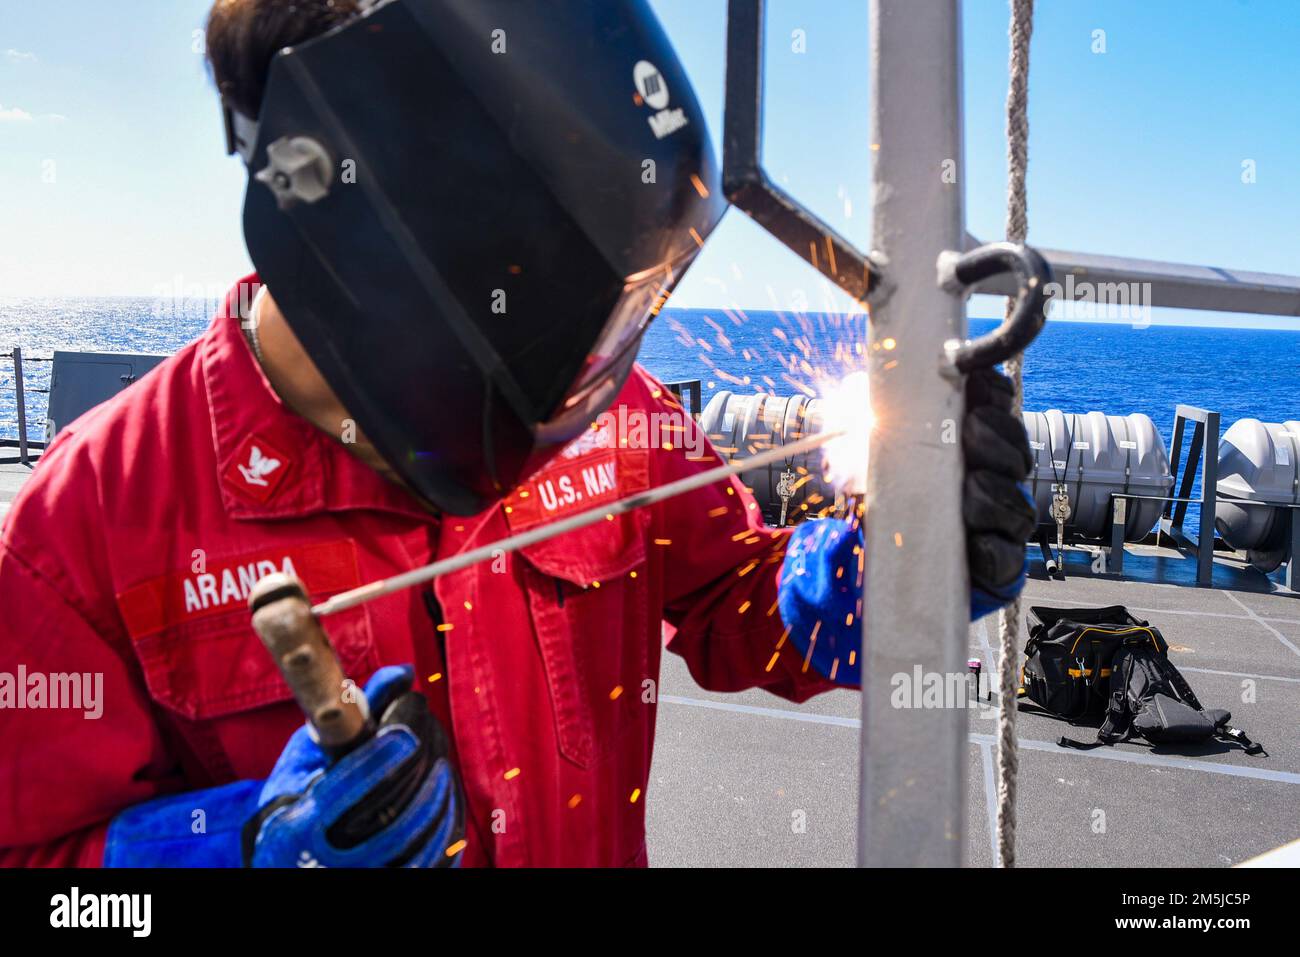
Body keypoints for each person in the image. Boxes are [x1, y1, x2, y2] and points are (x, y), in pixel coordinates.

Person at [0, 0, 1034, 867]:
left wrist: (895, 573)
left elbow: (739, 602)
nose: (581, 359)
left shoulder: (598, 402)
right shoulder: (94, 516)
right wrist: (241, 847)